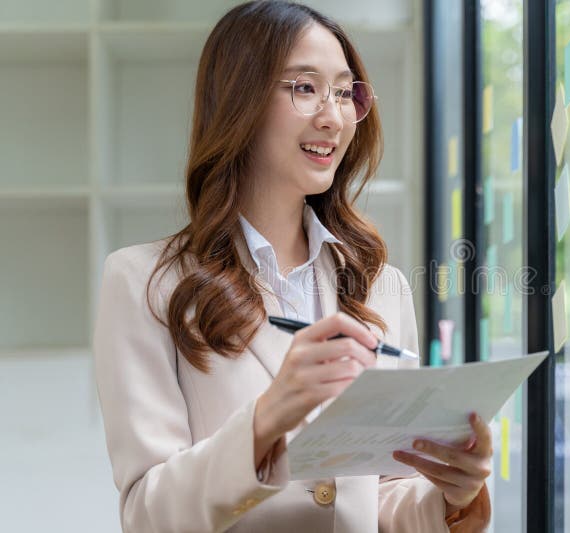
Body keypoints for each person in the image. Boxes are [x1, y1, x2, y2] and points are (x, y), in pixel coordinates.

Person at [93, 1, 492, 531]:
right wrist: (265, 421)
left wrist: (453, 496)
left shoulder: (380, 286)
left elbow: (382, 497)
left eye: (346, 92)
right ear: (238, 99)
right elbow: (148, 514)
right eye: (304, 87)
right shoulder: (144, 283)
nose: (333, 117)